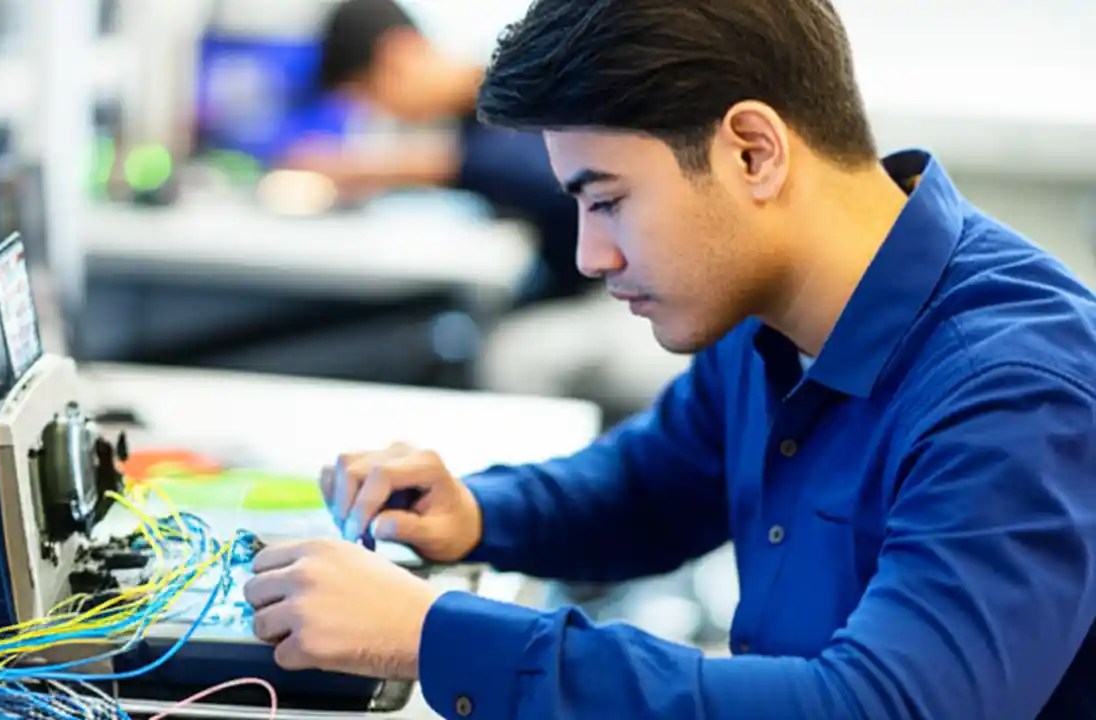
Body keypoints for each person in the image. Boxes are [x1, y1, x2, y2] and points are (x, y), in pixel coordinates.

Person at [243, 0, 1096, 717]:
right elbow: (651, 488)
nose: (590, 256)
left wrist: (432, 634)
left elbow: (878, 707)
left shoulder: (1013, 388)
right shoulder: (764, 309)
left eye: (608, 201)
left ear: (752, 152)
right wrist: (477, 513)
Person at [284, 0, 588, 303]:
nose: (384, 111)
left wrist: (374, 170)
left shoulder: (522, 82)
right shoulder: (475, 118)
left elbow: (553, 178)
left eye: (370, 94)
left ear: (397, 56)